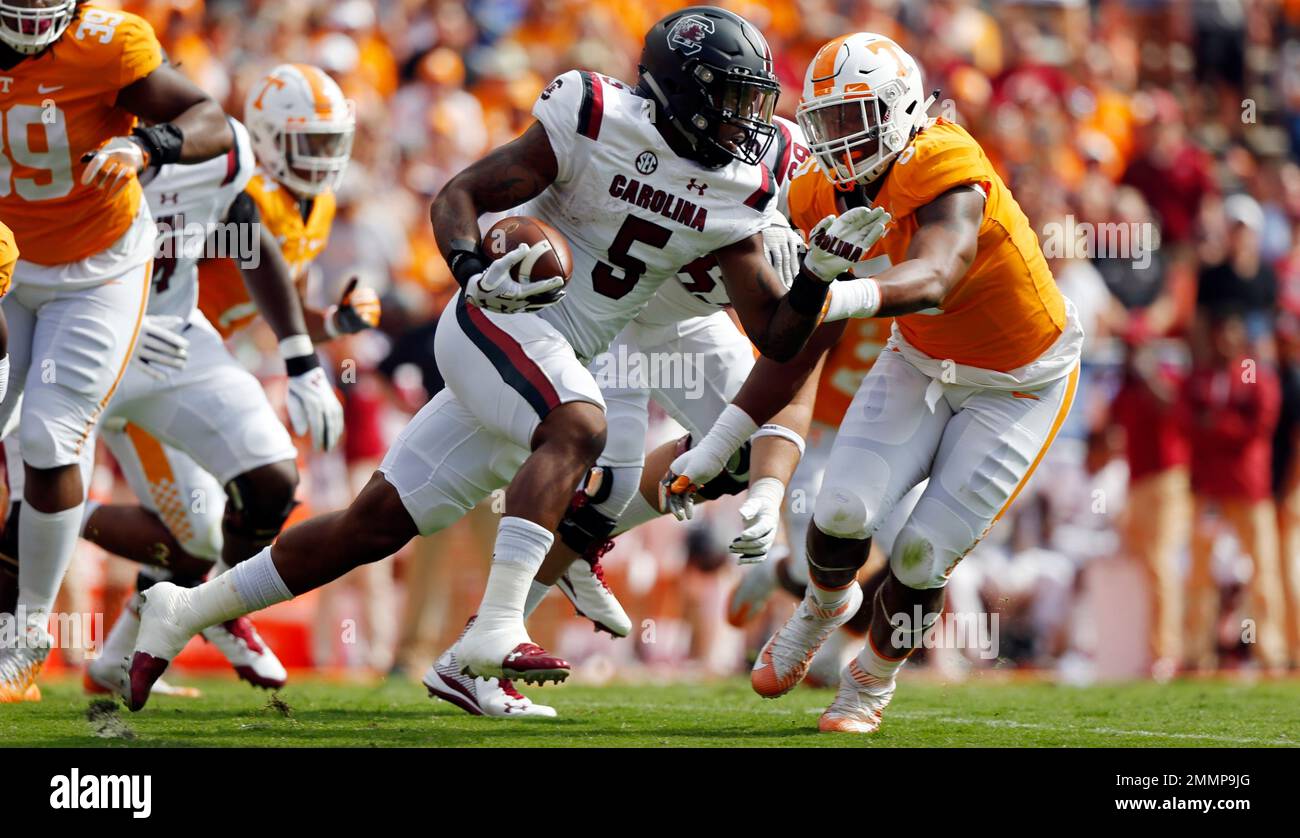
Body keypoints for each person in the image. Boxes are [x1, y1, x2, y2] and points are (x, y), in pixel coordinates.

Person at [123, 5, 887, 711]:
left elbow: (775, 338)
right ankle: (495, 628)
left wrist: (819, 277)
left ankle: (183, 608)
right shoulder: (596, 117)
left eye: (754, 100)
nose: (747, 119)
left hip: (562, 353)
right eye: (731, 99)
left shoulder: (740, 185)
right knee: (579, 425)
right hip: (500, 320)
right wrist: (468, 268)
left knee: (372, 525)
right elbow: (458, 194)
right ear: (682, 94)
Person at [665, 32, 1082, 733]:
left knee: (921, 554)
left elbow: (938, 274)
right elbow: (800, 344)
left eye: (855, 120)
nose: (838, 142)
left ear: (901, 110)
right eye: (825, 123)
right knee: (843, 513)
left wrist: (842, 291)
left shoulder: (943, 157)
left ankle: (870, 681)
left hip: (1019, 381)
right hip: (919, 361)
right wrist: (725, 438)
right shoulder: (816, 191)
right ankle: (822, 606)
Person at [0, 1, 234, 701]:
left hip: (95, 269)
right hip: (6, 259)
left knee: (48, 436)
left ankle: (26, 637)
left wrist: (146, 145)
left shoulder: (109, 42)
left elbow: (211, 120)